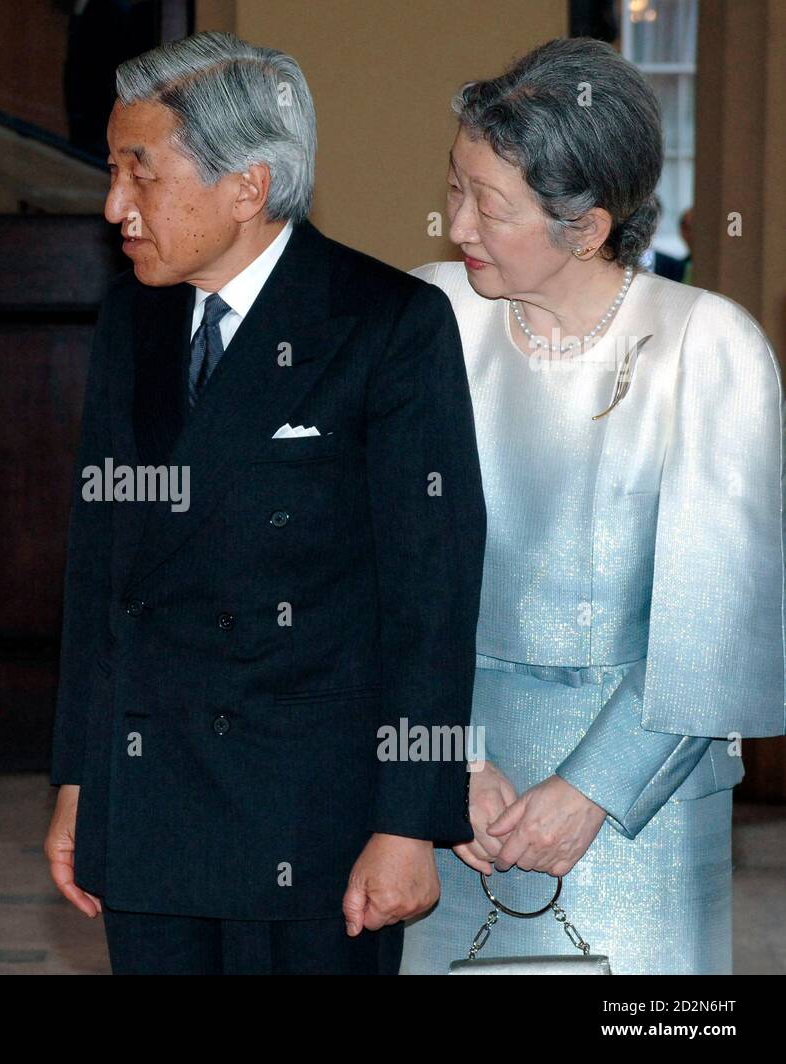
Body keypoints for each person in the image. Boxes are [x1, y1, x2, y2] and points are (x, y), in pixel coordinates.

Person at [44, 30, 486, 975]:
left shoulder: (387, 324)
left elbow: (434, 598)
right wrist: (81, 777)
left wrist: (411, 820)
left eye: (140, 172)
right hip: (149, 796)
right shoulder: (134, 313)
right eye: (112, 169)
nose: (113, 205)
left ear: (247, 186)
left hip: (313, 822)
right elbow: (100, 567)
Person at [401, 37, 784, 974]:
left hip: (643, 782)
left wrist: (593, 790)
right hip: (453, 776)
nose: (456, 223)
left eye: (488, 204)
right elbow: (370, 567)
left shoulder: (706, 346)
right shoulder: (424, 318)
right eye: (454, 186)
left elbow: (716, 619)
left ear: (585, 225)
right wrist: (444, 763)